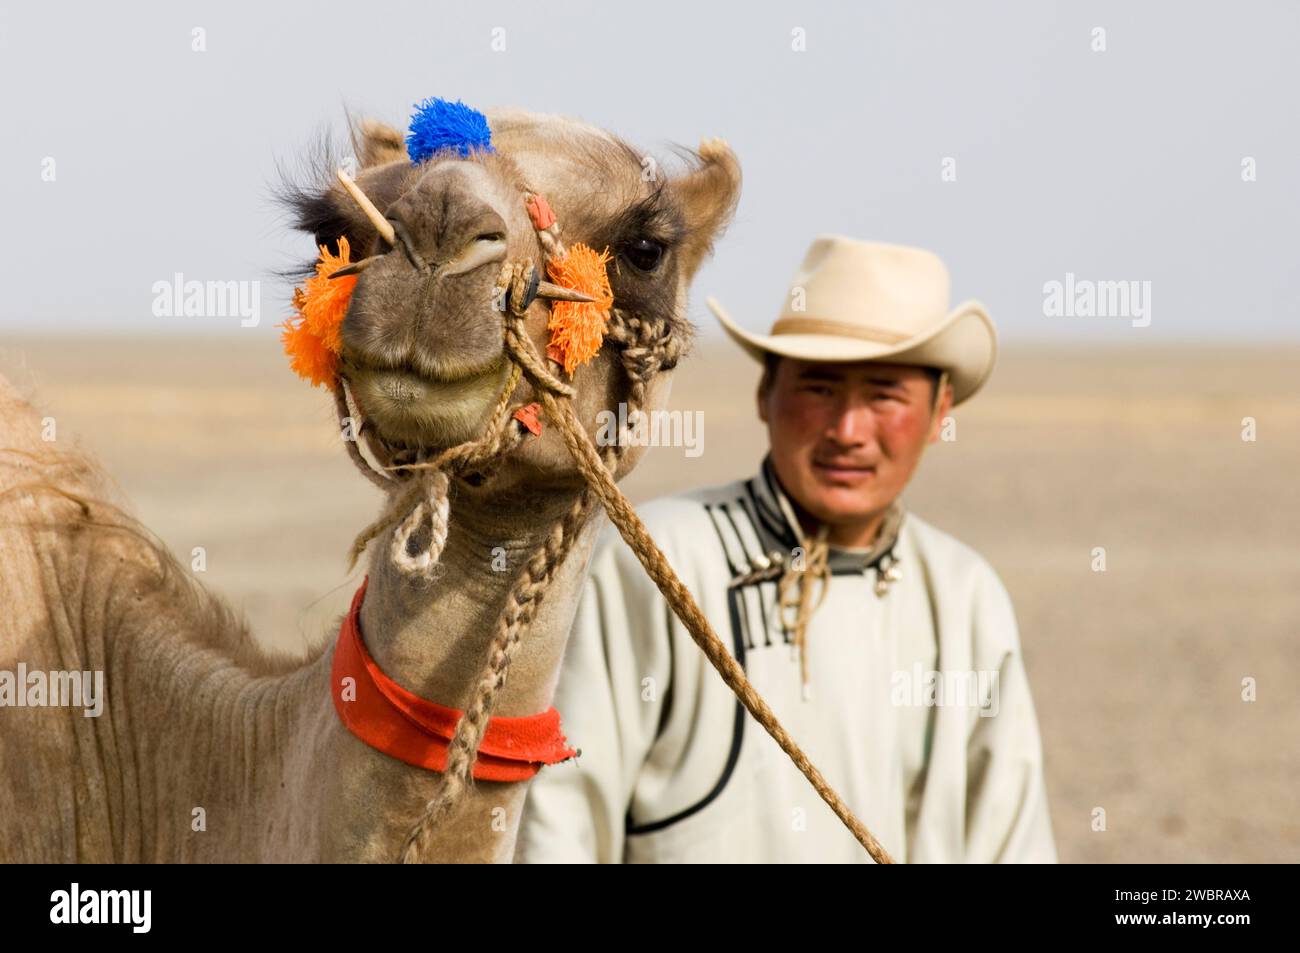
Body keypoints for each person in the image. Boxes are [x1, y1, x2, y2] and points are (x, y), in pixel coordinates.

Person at [516, 236, 1057, 863]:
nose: (848, 431)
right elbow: (561, 817)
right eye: (820, 389)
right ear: (765, 394)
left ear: (939, 412)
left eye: (885, 394)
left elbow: (1011, 841)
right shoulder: (659, 561)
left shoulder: (965, 597)